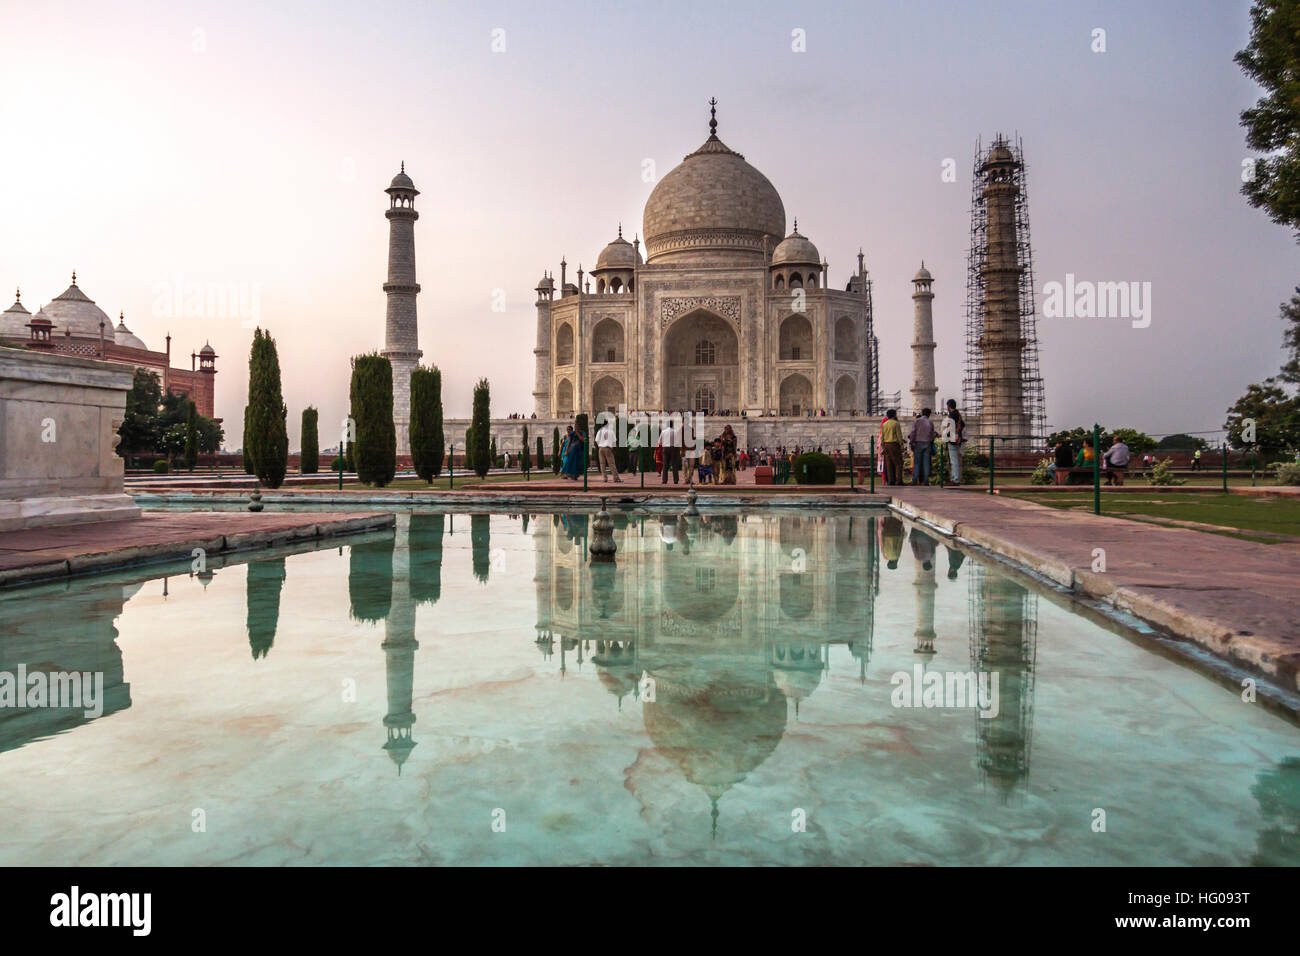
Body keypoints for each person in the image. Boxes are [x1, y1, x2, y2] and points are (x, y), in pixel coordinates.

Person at [939, 399, 965, 486]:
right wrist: (959, 433)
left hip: (952, 439)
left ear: (949, 406)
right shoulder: (958, 414)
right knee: (954, 460)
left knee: (954, 460)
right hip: (957, 438)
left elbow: (949, 427)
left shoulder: (952, 415)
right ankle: (954, 478)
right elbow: (963, 425)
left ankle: (955, 479)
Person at [908, 408, 935, 486]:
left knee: (917, 463)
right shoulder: (930, 422)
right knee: (926, 462)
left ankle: (915, 480)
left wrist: (911, 442)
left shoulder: (917, 421)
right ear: (929, 414)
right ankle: (926, 480)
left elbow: (913, 432)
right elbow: (932, 434)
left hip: (918, 443)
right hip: (927, 443)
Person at [881, 409, 904, 486]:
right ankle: (899, 480)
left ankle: (891, 481)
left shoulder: (885, 424)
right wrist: (901, 444)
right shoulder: (896, 423)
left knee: (889, 463)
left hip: (886, 444)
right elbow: (899, 435)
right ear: (894, 415)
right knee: (898, 463)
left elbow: (882, 436)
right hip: (894, 444)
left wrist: (883, 446)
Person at [659, 420, 681, 484]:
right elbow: (677, 441)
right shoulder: (675, 431)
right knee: (674, 465)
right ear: (672, 425)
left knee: (665, 465)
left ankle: (664, 480)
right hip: (673, 448)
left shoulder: (663, 432)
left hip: (665, 448)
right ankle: (676, 480)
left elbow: (659, 441)